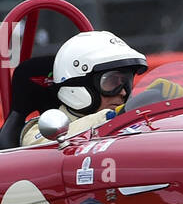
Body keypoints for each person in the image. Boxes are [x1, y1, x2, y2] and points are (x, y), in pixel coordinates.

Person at [20, 32, 148, 146]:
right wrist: (109, 117)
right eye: (112, 81)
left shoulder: (129, 122)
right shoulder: (44, 129)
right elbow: (38, 143)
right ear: (80, 86)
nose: (123, 92)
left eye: (126, 82)